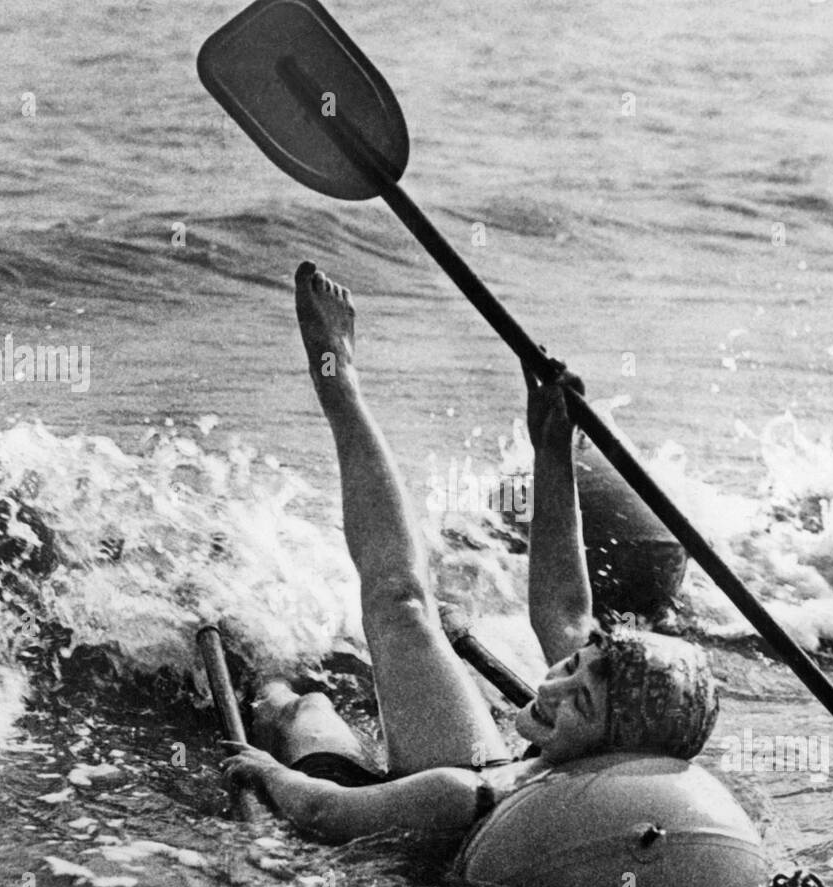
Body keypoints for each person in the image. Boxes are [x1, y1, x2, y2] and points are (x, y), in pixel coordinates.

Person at [221, 262, 720, 844]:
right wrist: (551, 450)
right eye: (570, 669)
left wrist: (269, 776)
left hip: (413, 820)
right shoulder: (604, 729)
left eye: (578, 700)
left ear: (612, 755)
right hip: (477, 772)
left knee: (311, 705)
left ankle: (337, 379)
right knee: (382, 633)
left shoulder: (462, 796)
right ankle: (338, 377)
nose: (551, 687)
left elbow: (324, 812)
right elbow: (565, 612)